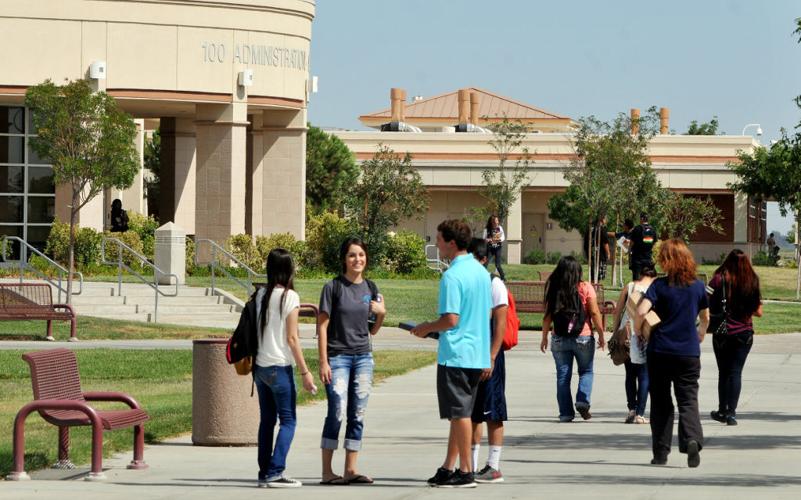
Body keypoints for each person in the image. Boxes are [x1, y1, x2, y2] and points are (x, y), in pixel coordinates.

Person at [411, 220, 491, 488]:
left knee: (459, 414)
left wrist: (426, 328)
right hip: (477, 352)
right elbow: (486, 312)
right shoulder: (481, 272)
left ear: (451, 242)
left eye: (439, 239)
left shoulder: (452, 276)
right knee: (461, 414)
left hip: (456, 353)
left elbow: (451, 319)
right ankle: (449, 466)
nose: (437, 244)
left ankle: (466, 470)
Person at [317, 237, 386, 485]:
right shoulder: (333, 287)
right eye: (352, 255)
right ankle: (327, 472)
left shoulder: (371, 288)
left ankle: (350, 469)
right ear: (344, 259)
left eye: (361, 255)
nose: (358, 260)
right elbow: (322, 327)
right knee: (336, 411)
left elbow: (373, 331)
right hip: (337, 358)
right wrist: (323, 361)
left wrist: (382, 314)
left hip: (363, 357)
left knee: (357, 413)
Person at [636, 239, 709, 468]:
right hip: (688, 352)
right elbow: (706, 317)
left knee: (661, 402)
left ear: (667, 261)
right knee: (688, 400)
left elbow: (640, 310)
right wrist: (700, 333)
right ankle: (692, 439)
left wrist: (640, 330)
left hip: (660, 350)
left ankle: (660, 453)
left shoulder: (658, 285)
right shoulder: (698, 286)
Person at [253, 248, 317, 488]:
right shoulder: (290, 297)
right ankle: (276, 471)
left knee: (267, 421)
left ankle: (264, 471)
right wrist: (305, 371)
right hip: (280, 368)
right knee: (288, 421)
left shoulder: (260, 295)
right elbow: (292, 338)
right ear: (288, 270)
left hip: (260, 368)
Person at [539, 256, 606, 422]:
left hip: (559, 338)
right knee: (586, 371)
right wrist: (601, 334)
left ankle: (566, 413)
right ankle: (582, 401)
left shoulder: (554, 288)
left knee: (563, 376)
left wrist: (544, 337)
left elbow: (547, 316)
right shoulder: (585, 288)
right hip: (583, 337)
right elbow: (595, 313)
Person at [467, 238, 509, 483]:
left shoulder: (495, 284)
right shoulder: (468, 283)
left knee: (493, 410)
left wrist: (492, 356)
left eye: (472, 258)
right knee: (473, 413)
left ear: (483, 259)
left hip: (490, 356)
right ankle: (470, 466)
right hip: (470, 355)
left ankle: (493, 465)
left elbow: (500, 324)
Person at [708, 249, 763, 426]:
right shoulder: (752, 281)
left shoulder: (718, 279)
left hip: (723, 332)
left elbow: (704, 301)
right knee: (735, 372)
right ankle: (731, 413)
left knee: (723, 372)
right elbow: (759, 312)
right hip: (744, 333)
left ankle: (722, 410)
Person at [611, 262, 657, 424]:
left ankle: (631, 408)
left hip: (627, 336)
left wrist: (615, 330)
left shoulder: (630, 286)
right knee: (644, 375)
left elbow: (618, 311)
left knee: (630, 374)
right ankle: (640, 413)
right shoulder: (655, 288)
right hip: (646, 335)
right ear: (653, 275)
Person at [629, 213, 657, 280]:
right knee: (647, 278)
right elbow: (654, 242)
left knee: (636, 279)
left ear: (641, 219)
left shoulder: (637, 229)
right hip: (648, 258)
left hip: (637, 259)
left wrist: (630, 250)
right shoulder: (652, 229)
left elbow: (632, 243)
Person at [584, 216, 610, 282]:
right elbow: (605, 243)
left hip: (591, 255)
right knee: (597, 275)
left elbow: (585, 243)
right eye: (605, 219)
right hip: (600, 256)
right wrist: (608, 253)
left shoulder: (589, 229)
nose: (606, 220)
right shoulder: (602, 230)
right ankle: (596, 289)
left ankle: (593, 287)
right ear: (602, 219)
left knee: (593, 274)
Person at [483, 215, 506, 281]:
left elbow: (503, 238)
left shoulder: (499, 228)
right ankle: (482, 277)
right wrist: (487, 240)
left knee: (497, 265)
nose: (497, 222)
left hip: (498, 248)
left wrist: (497, 239)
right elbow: (484, 238)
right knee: (485, 263)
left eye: (497, 220)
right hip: (490, 248)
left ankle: (503, 278)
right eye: (496, 220)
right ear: (492, 221)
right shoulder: (487, 229)